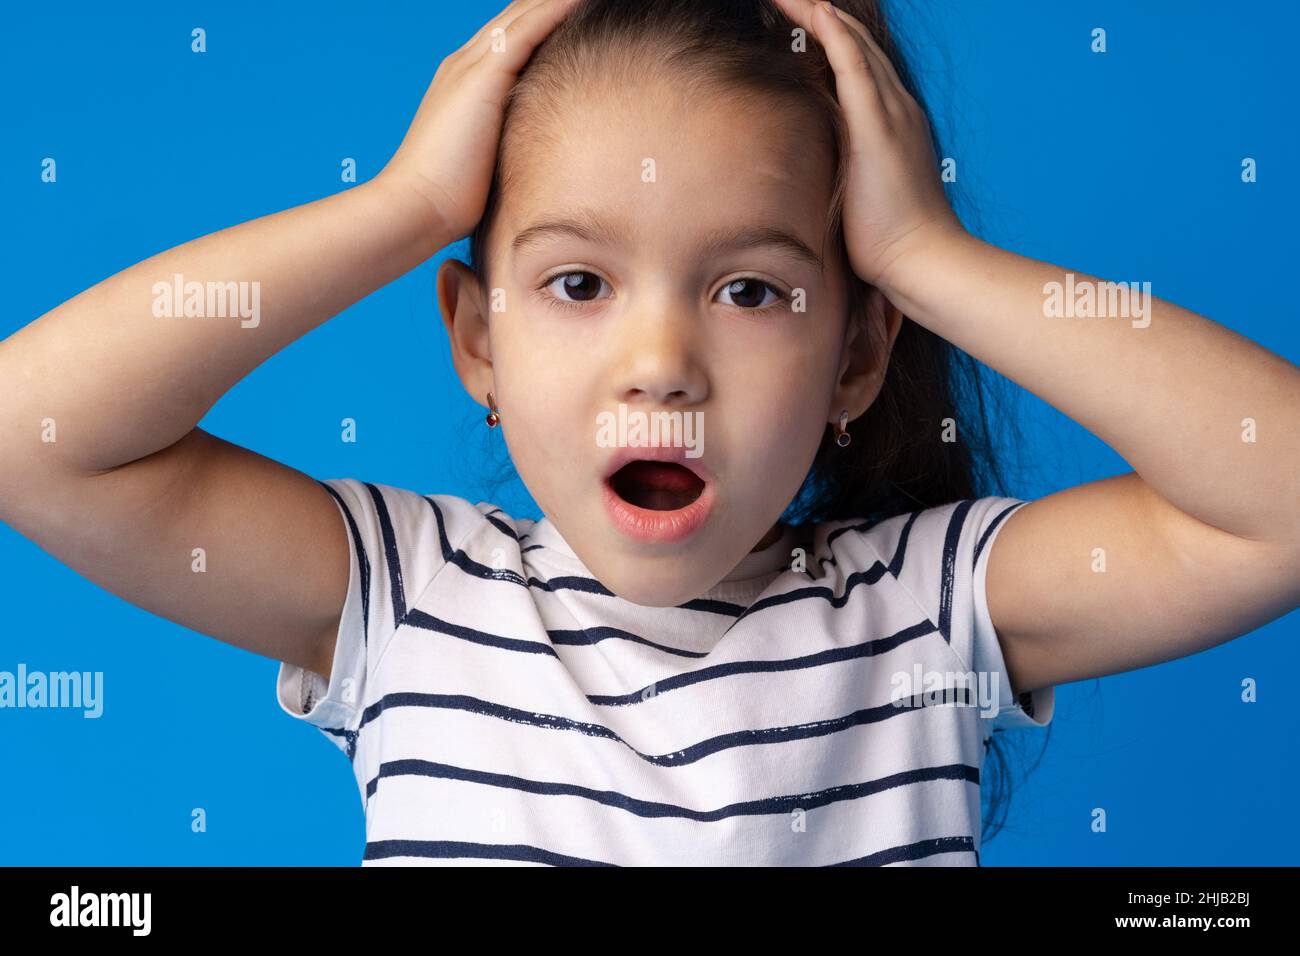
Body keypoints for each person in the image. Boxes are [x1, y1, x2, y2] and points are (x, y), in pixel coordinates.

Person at [1, 0, 1296, 865]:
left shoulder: (924, 612)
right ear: (476, 341)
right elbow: (35, 433)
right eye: (576, 284)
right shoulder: (404, 598)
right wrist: (403, 207)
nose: (662, 362)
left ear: (856, 354)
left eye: (751, 291)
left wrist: (926, 255)